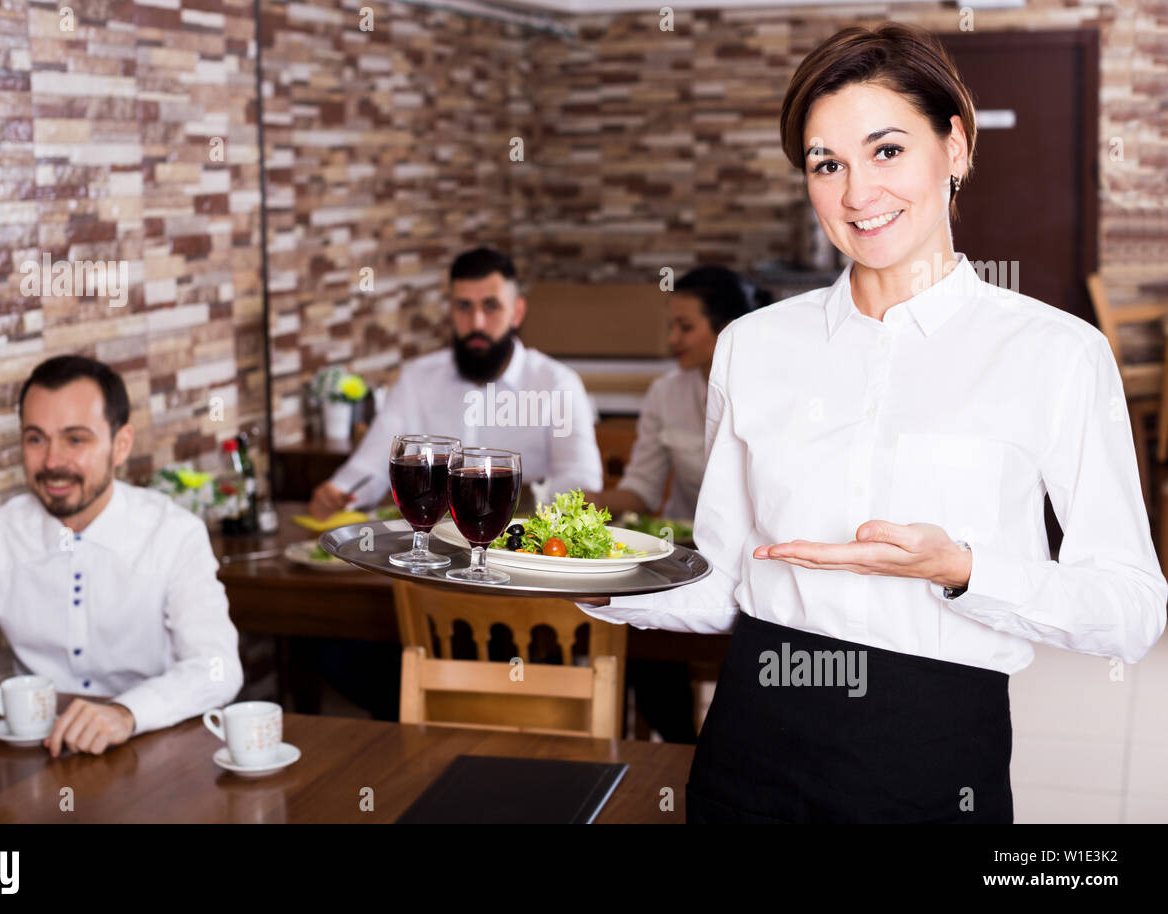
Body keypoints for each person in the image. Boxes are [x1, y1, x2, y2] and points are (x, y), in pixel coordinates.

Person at [579, 23, 1167, 822]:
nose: (857, 194)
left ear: (954, 148)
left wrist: (961, 568)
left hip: (932, 750)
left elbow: (1131, 611)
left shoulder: (1057, 354)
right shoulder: (752, 348)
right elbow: (724, 579)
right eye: (828, 164)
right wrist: (563, 572)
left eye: (887, 150)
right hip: (753, 736)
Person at [0, 355, 244, 757]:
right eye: (36, 439)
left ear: (121, 445)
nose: (53, 462)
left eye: (76, 439)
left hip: (154, 752)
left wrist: (126, 713)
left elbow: (218, 669)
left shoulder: (175, 534)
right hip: (36, 761)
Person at [308, 246, 603, 519]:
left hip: (523, 549)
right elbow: (372, 464)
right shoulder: (417, 379)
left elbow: (579, 483)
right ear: (450, 310)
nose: (476, 323)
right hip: (433, 551)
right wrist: (338, 492)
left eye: (491, 307)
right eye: (464, 307)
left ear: (517, 312)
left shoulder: (557, 384)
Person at [589, 265, 762, 521]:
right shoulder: (665, 392)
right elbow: (642, 490)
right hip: (685, 547)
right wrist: (595, 501)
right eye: (672, 326)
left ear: (727, 329)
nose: (672, 339)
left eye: (685, 327)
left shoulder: (768, 392)